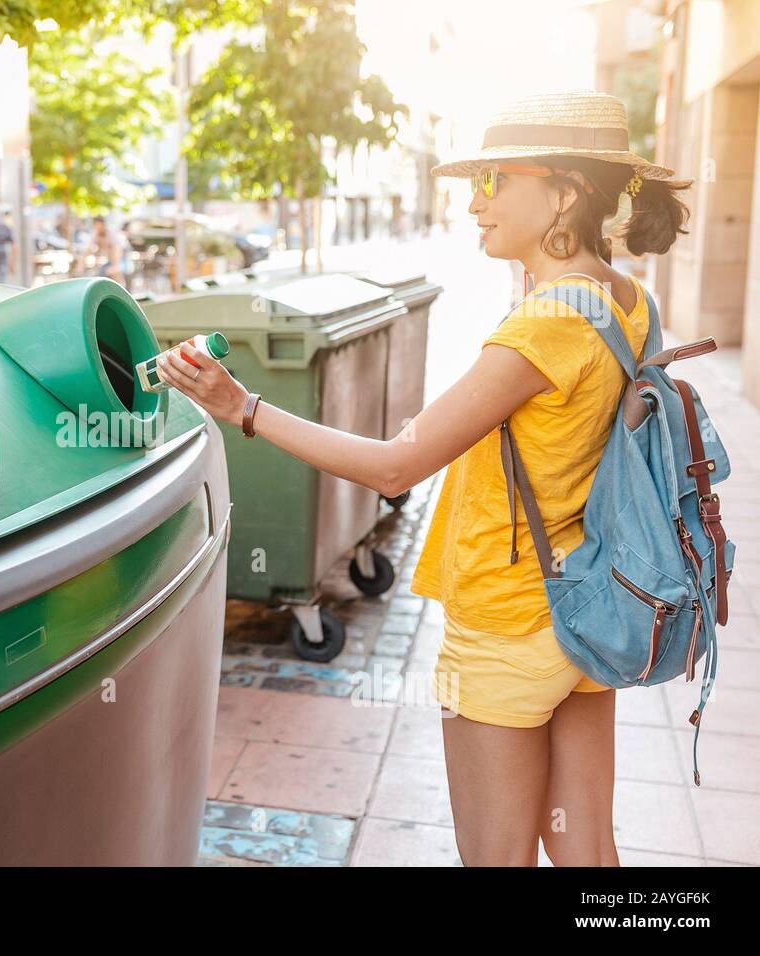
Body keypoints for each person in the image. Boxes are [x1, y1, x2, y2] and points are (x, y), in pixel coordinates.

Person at [155, 90, 693, 867]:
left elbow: (398, 463)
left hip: (508, 622)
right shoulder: (624, 298)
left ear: (567, 192)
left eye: (496, 180)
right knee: (590, 856)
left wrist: (242, 408)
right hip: (586, 605)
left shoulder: (543, 324)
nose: (476, 204)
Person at [85, 215, 124, 285]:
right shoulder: (96, 234)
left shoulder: (111, 234)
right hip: (111, 261)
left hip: (123, 259)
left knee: (113, 272)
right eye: (96, 226)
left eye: (99, 226)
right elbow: (88, 249)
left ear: (103, 225)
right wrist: (81, 265)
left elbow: (117, 250)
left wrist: (115, 266)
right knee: (103, 272)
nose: (98, 228)